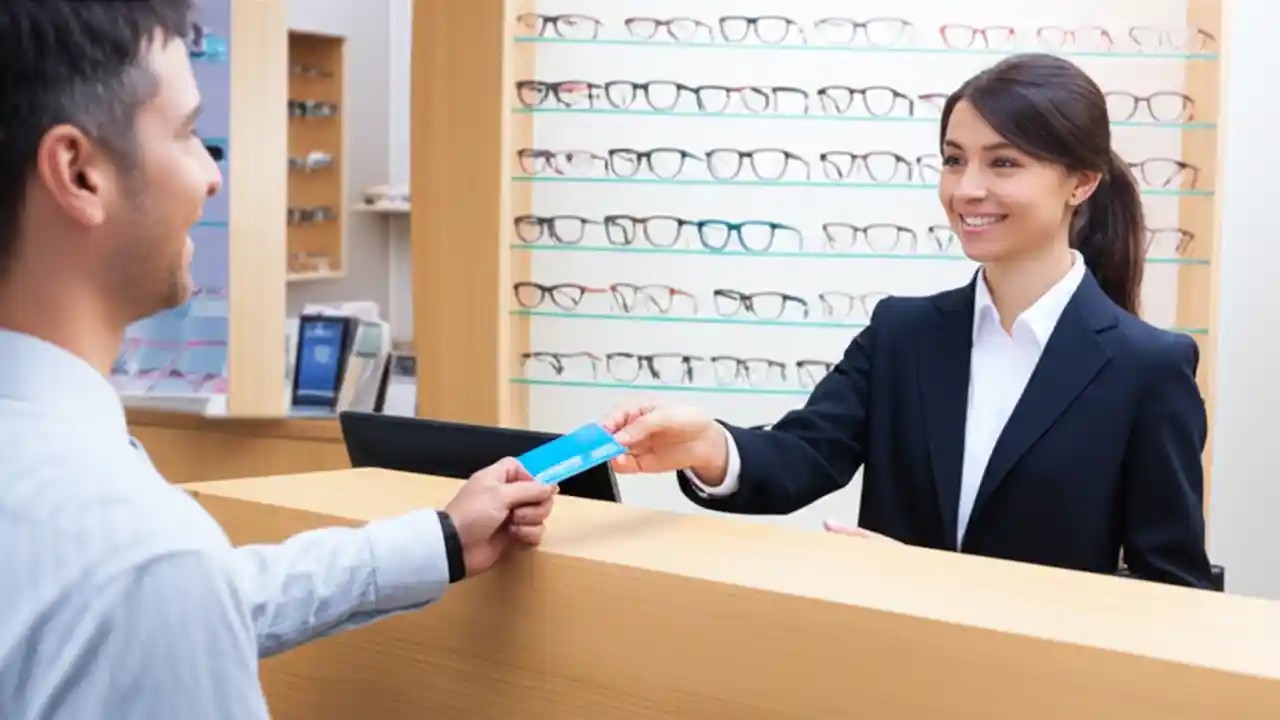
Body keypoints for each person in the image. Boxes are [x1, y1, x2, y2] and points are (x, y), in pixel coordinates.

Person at [0, 2, 556, 717]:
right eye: (189, 133)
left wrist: (439, 542)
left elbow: (181, 605)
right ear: (79, 174)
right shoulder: (141, 560)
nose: (211, 175)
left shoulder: (106, 549)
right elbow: (157, 596)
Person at [604, 53, 1213, 590]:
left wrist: (940, 586)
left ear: (1080, 182)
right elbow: (804, 456)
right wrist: (710, 445)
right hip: (886, 666)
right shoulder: (903, 334)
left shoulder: (1147, 368)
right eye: (954, 160)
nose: (967, 189)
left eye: (1003, 163)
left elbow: (1170, 591)